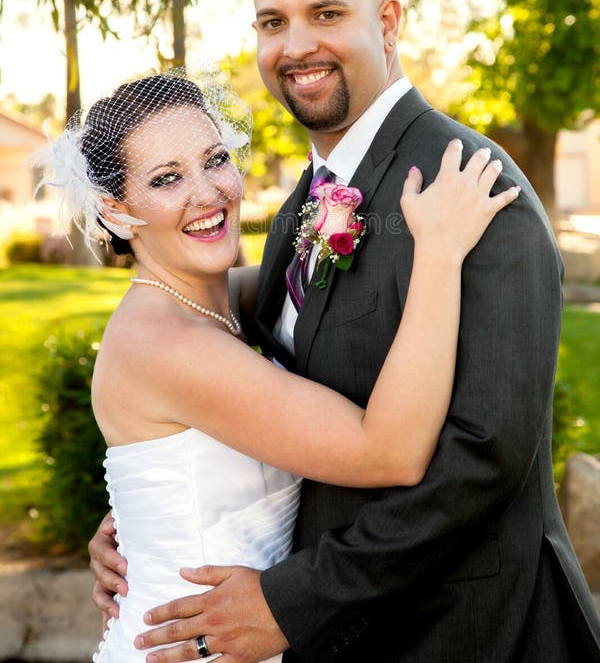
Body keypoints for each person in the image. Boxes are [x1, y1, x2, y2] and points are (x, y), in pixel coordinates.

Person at [89, 0, 600, 663]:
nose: (296, 47)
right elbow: (239, 388)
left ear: (386, 22)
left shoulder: (471, 192)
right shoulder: (306, 202)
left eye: (327, 14)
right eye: (273, 21)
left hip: (468, 633)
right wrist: (146, 515)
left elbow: (484, 459)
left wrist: (296, 602)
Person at [39, 69, 517, 663]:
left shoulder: (221, 300)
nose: (207, 193)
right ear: (115, 211)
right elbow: (388, 450)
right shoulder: (164, 342)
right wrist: (439, 254)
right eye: (166, 179)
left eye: (214, 160)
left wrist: (133, 519)